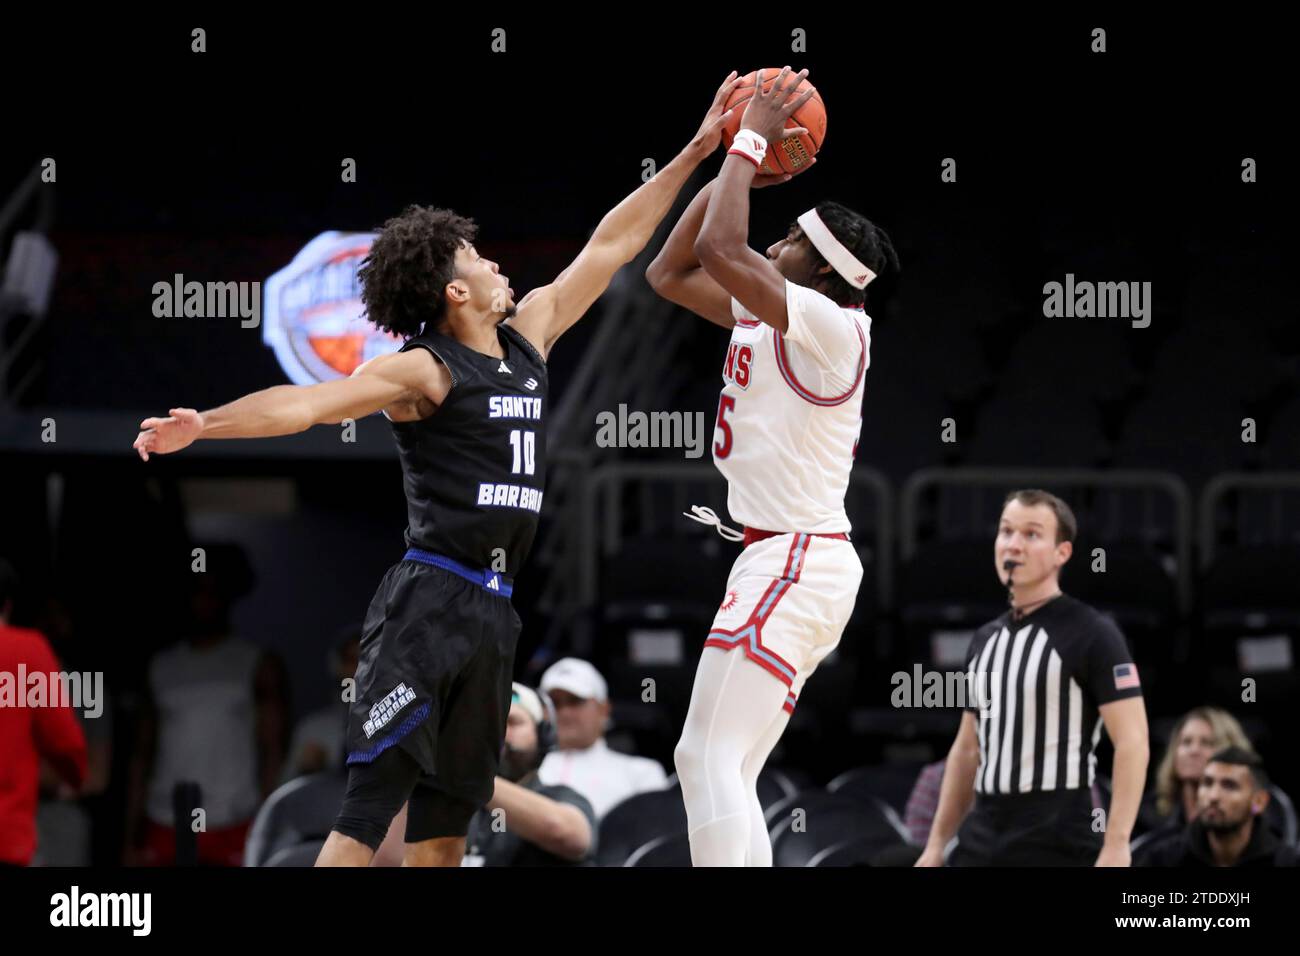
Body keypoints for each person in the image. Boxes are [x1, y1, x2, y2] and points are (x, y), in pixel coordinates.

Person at [134, 72, 764, 868]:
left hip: (495, 613)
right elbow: (310, 404)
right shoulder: (424, 371)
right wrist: (206, 425)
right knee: (366, 819)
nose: (501, 265)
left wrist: (700, 149)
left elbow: (610, 246)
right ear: (455, 289)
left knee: (445, 832)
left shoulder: (530, 336)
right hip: (428, 602)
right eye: (480, 257)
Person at [646, 66, 900, 866]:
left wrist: (751, 144)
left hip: (796, 557)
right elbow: (672, 271)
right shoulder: (772, 312)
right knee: (730, 767)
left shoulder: (831, 327)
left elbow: (723, 246)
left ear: (823, 271)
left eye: (789, 240)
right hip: (784, 558)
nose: (773, 240)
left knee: (705, 758)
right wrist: (723, 146)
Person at [915, 490, 1150, 867]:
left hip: (1056, 825)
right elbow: (966, 748)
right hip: (985, 824)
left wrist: (1117, 843)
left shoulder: (1093, 632)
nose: (1014, 545)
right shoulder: (983, 639)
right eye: (1006, 531)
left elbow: (1133, 741)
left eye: (1032, 534)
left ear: (1063, 553)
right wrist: (936, 844)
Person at [374, 684, 595, 866]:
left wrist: (467, 774)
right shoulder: (443, 806)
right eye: (487, 724)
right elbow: (385, 862)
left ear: (542, 736)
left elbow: (567, 835)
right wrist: (418, 771)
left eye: (512, 722)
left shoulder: (560, 796)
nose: (497, 733)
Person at [0, 557, 88, 866]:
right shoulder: (28, 650)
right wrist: (72, 778)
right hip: (8, 838)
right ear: (8, 605)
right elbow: (67, 742)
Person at [536, 657, 667, 817]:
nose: (564, 712)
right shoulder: (522, 769)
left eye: (575, 701)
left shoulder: (641, 773)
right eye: (555, 703)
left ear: (604, 709)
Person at [1139, 747, 1297, 867]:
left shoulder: (1286, 862)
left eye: (1229, 786)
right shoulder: (1163, 859)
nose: (1213, 796)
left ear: (1259, 802)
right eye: (1207, 783)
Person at [1142, 706, 1253, 834]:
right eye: (1186, 742)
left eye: (1207, 743)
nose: (1193, 751)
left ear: (1231, 753)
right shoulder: (1147, 814)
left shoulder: (1253, 814)